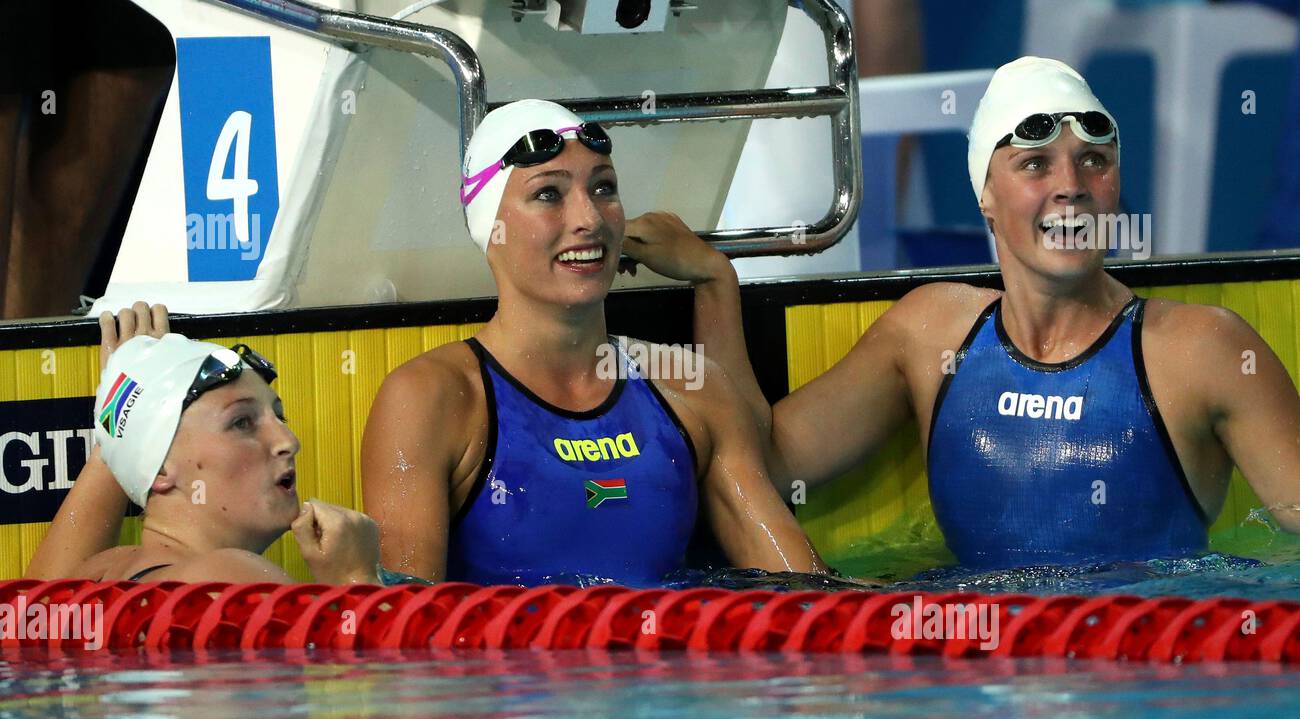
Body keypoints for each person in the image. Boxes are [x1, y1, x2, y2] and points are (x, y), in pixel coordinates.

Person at [675, 56, 1300, 569]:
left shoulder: (1200, 350)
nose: (1071, 184)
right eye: (1035, 164)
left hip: (1147, 670)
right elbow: (758, 462)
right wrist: (714, 284)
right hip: (973, 675)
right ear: (986, 195)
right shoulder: (930, 333)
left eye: (1095, 160)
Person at [361, 99, 826, 585]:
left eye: (603, 188)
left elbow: (808, 592)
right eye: (548, 195)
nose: (589, 218)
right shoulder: (430, 399)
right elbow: (406, 635)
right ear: (489, 226)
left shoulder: (692, 390)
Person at [26, 303, 383, 585]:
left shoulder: (94, 573)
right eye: (241, 423)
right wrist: (355, 577)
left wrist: (123, 419)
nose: (289, 441)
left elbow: (27, 615)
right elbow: (369, 674)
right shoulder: (231, 576)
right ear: (162, 469)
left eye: (280, 417)